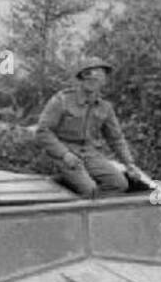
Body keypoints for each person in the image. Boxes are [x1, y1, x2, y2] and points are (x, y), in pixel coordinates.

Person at [36, 59, 136, 198]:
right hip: (64, 152)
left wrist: (129, 163)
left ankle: (95, 212)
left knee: (119, 184)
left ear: (104, 81)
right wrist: (64, 154)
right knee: (89, 189)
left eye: (99, 75)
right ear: (81, 78)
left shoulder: (105, 107)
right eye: (88, 75)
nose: (93, 79)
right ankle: (78, 211)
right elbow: (43, 131)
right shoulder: (62, 100)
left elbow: (116, 138)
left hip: (90, 153)